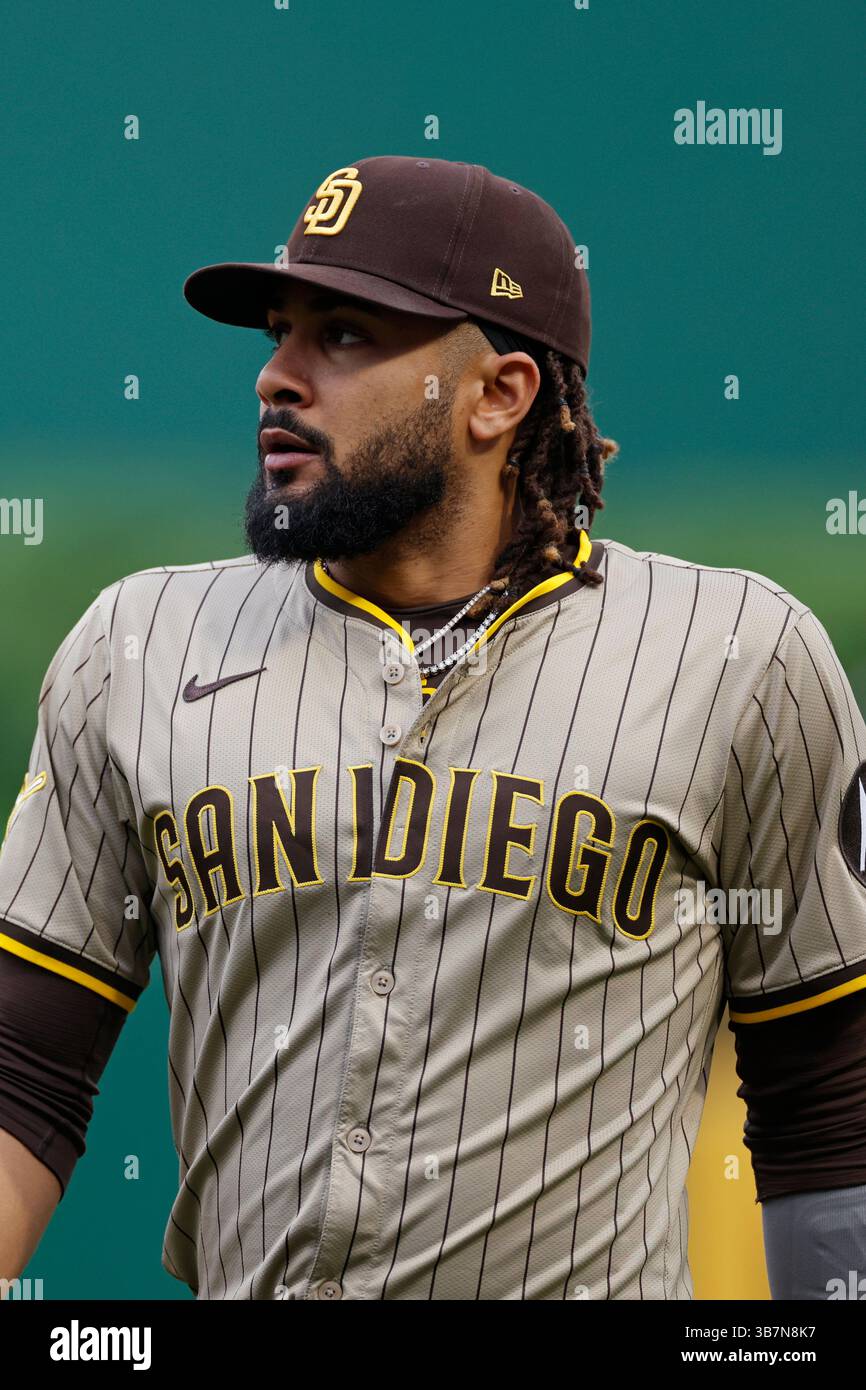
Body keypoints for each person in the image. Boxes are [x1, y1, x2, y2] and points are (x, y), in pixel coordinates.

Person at [0, 155, 864, 1300]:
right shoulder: (139, 642)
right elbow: (24, 1068)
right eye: (278, 331)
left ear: (497, 395)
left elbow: (829, 1099)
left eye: (345, 336)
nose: (276, 378)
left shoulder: (739, 655)